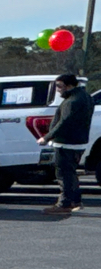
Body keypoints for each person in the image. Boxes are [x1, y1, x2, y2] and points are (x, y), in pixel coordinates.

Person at [39, 74, 94, 215]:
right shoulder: (85, 96)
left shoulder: (72, 101)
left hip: (66, 143)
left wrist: (47, 137)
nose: (57, 89)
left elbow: (64, 123)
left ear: (69, 86)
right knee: (70, 173)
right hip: (78, 142)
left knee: (63, 174)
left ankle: (64, 204)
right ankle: (75, 201)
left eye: (59, 86)